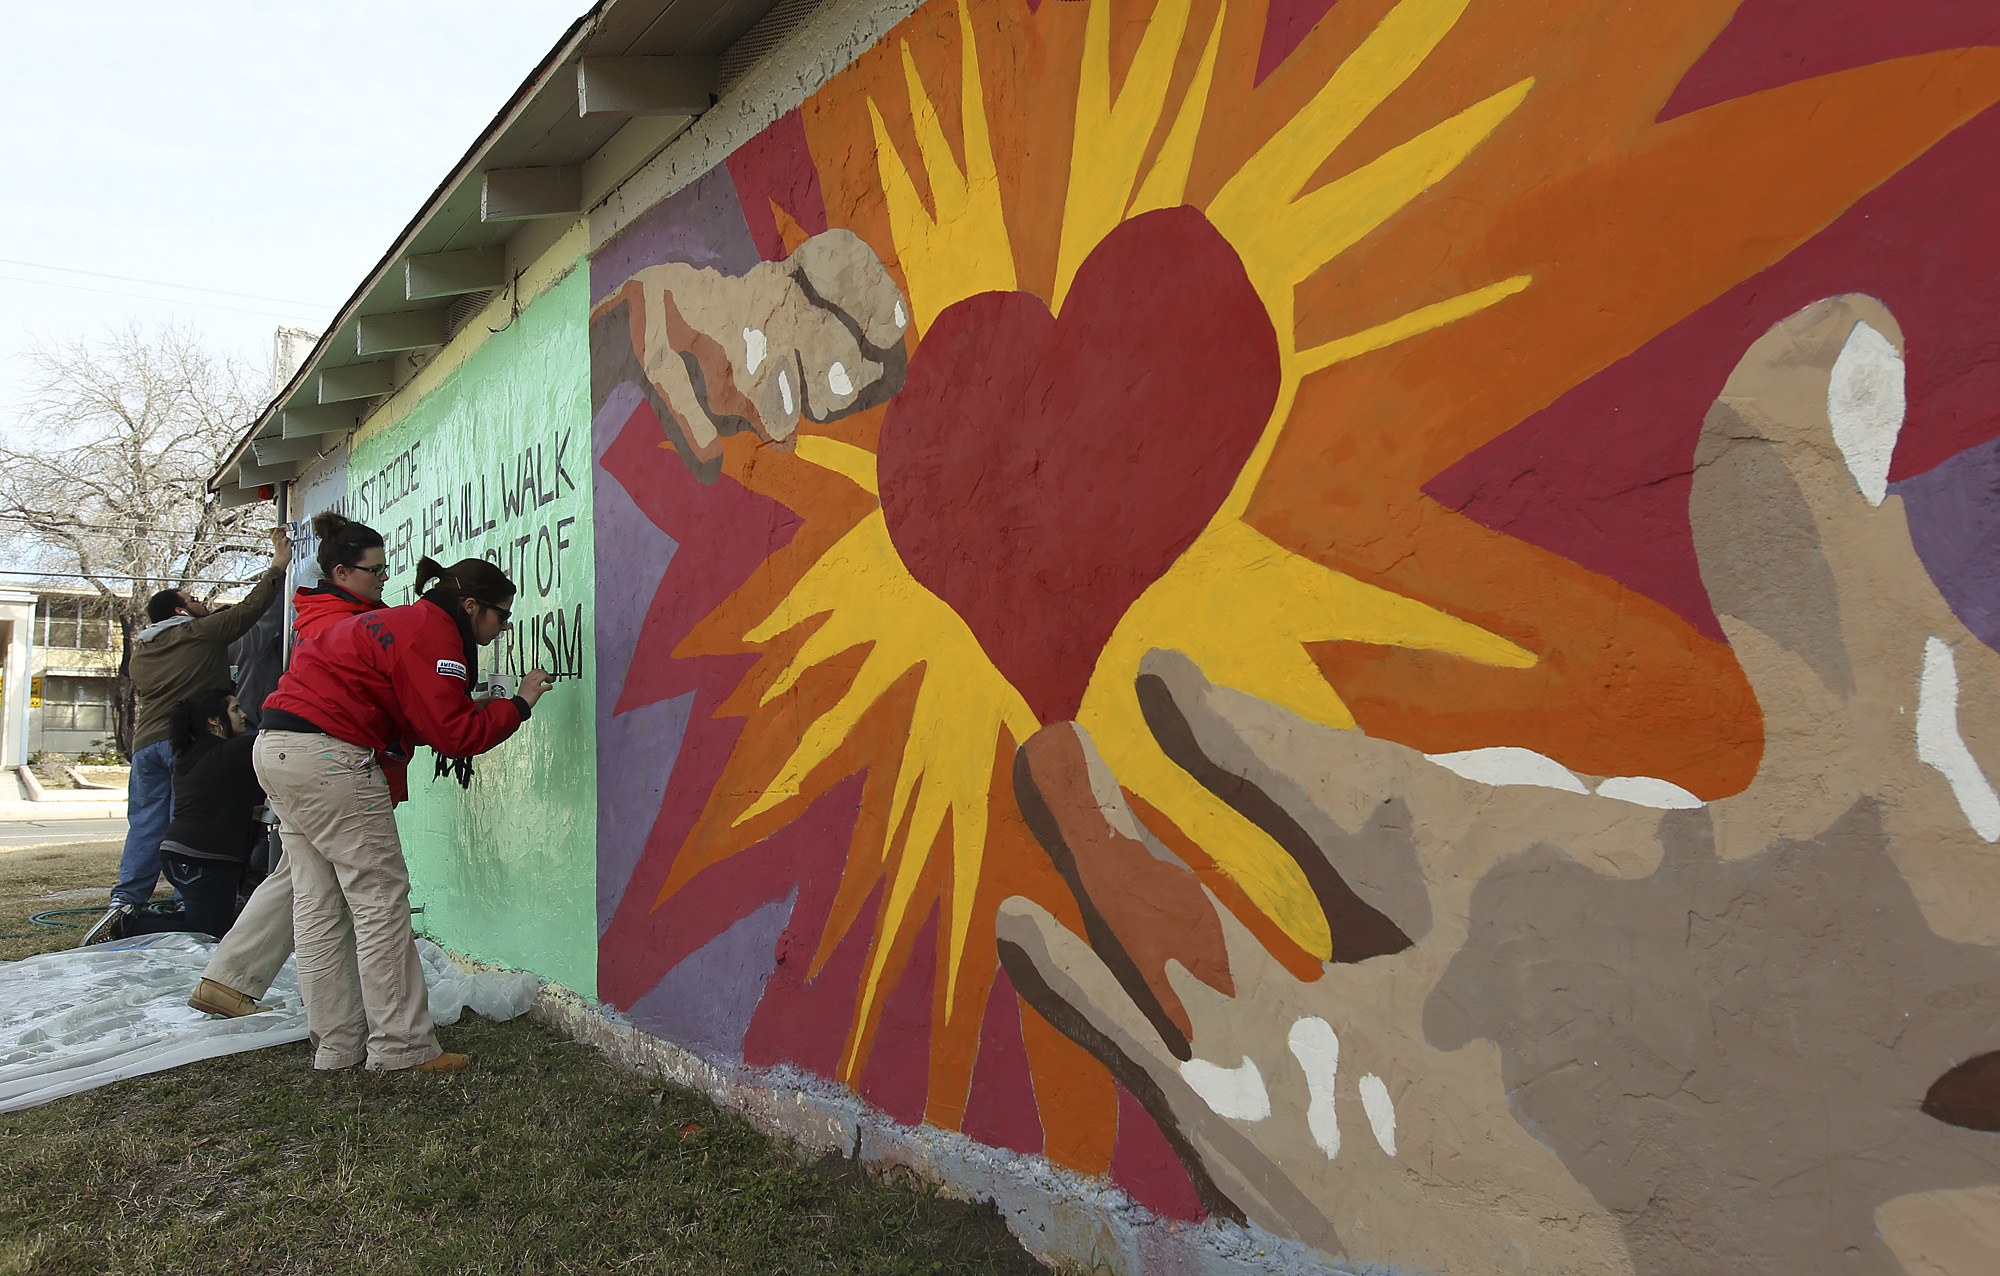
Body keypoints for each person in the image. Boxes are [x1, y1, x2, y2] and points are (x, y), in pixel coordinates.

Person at [253, 555, 553, 1073]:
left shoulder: (397, 622)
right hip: (332, 758)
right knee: (379, 905)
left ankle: (337, 1046)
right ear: (470, 606)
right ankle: (402, 1048)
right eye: (501, 616)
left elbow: (410, 705)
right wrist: (520, 703)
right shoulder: (435, 637)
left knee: (319, 905)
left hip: (277, 749)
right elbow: (456, 736)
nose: (502, 628)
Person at [188, 512, 390, 1018]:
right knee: (335, 895)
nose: (385, 579)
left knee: (298, 875)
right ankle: (380, 1029)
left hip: (289, 754)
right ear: (342, 573)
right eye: (377, 571)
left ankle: (231, 979)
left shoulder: (321, 613)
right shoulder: (346, 621)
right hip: (324, 758)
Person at [83, 528, 291, 944]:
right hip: (186, 746)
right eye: (194, 600)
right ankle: (187, 901)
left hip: (146, 746)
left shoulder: (141, 655)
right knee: (189, 821)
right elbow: (248, 611)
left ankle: (126, 901)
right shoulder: (197, 632)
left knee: (145, 822)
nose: (202, 604)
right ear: (178, 611)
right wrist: (278, 566)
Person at [106, 690, 263, 941]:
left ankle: (130, 925)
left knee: (214, 926)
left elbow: (210, 800)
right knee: (207, 930)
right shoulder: (232, 751)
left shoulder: (193, 756)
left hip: (188, 855)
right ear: (214, 720)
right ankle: (126, 928)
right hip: (202, 859)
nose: (244, 715)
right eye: (235, 710)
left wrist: (246, 811)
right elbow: (273, 740)